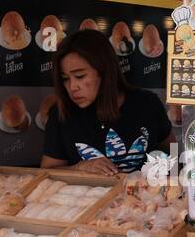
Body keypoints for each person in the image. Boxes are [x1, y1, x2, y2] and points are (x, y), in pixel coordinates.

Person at [41, 29, 172, 175]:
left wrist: (158, 173)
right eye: (65, 78)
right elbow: (48, 172)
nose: (72, 87)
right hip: (85, 197)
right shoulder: (61, 112)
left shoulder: (147, 104)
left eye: (80, 76)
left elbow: (172, 150)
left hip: (147, 196)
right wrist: (80, 167)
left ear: (105, 71)